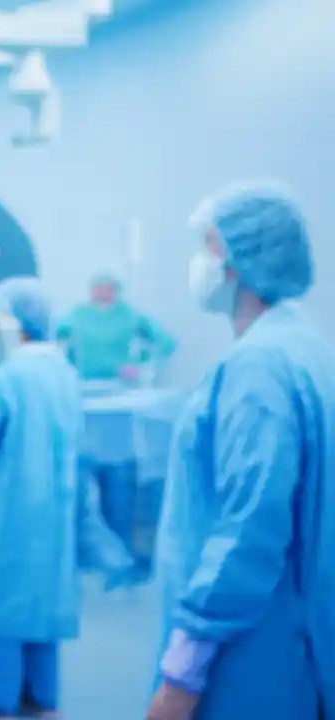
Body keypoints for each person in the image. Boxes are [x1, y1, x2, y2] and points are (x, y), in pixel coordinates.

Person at [148, 181, 335, 720]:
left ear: (239, 263)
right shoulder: (307, 348)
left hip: (251, 652)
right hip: (298, 634)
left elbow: (248, 527)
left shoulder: (258, 367)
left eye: (208, 248)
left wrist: (183, 673)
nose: (199, 265)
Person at [0, 273, 133, 720]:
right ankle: (43, 701)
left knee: (2, 619)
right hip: (52, 519)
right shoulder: (64, 375)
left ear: (9, 323)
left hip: (9, 522)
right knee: (42, 617)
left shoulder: (4, 380)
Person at [57, 273, 176, 382]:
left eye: (107, 288)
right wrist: (68, 364)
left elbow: (166, 342)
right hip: (85, 384)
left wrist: (141, 363)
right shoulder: (79, 315)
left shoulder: (128, 315)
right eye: (98, 288)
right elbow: (53, 338)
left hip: (120, 386)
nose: (102, 292)